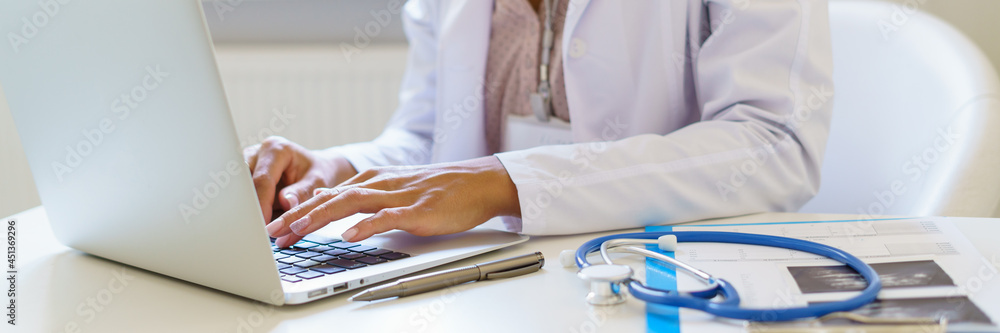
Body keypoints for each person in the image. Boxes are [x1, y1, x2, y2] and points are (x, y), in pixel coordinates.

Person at [247, 0, 835, 248]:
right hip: (490, 286)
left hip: (659, 276)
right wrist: (341, 169)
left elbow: (775, 143)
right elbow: (431, 137)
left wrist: (507, 182)